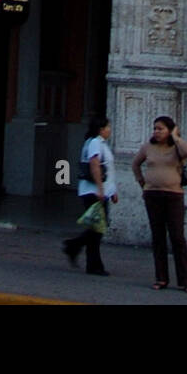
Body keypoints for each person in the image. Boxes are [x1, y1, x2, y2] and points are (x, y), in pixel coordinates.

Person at [132, 115, 187, 291]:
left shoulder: (177, 148)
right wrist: (142, 182)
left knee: (177, 237)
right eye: (155, 129)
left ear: (169, 130)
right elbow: (135, 164)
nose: (157, 132)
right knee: (158, 236)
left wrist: (175, 136)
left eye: (161, 129)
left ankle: (185, 280)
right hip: (152, 194)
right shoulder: (148, 147)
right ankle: (161, 278)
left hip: (173, 195)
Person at [62, 115, 118, 276]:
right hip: (93, 191)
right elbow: (95, 165)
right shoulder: (95, 143)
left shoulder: (100, 143)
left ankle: (77, 250)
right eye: (108, 127)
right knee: (97, 229)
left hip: (100, 191)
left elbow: (108, 169)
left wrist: (112, 191)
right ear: (101, 129)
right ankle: (85, 257)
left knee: (97, 229)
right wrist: (100, 189)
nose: (110, 130)